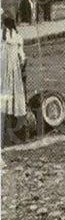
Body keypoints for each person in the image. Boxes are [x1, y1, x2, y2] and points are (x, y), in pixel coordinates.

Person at [1, 15, 28, 144]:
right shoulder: (17, 38)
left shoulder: (3, 38)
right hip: (15, 72)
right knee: (17, 100)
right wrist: (22, 65)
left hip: (5, 72)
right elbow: (22, 57)